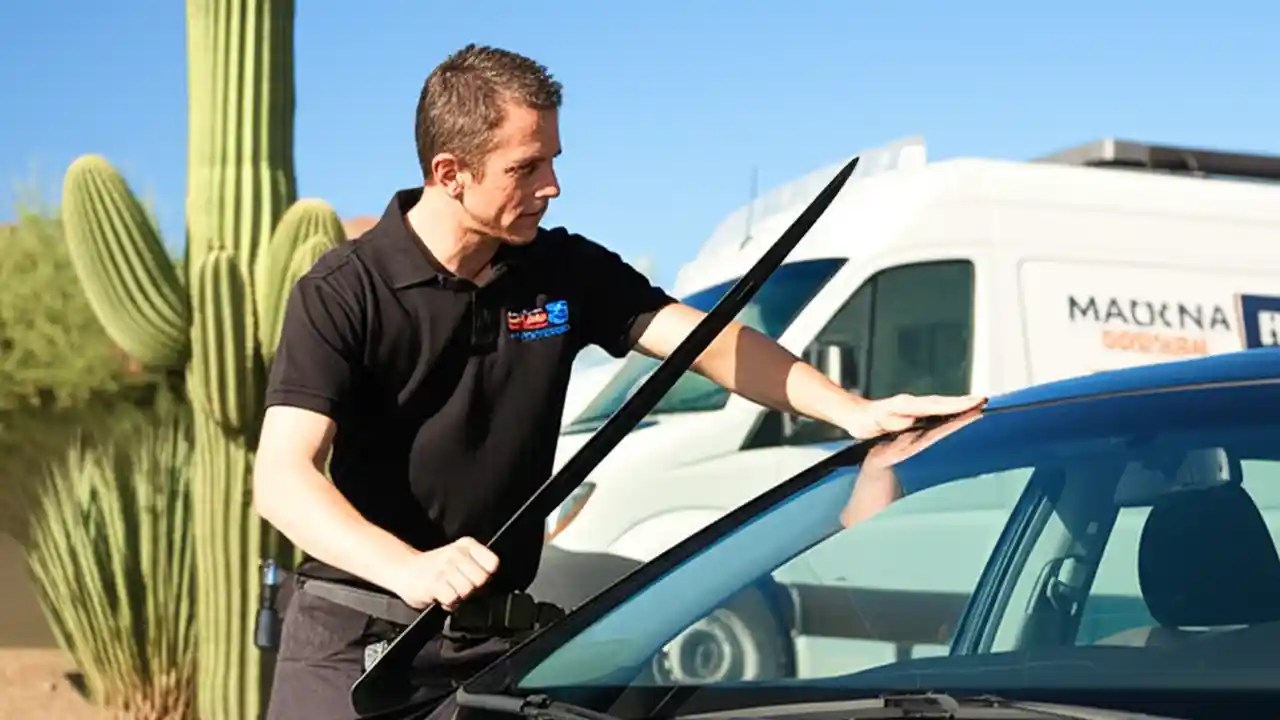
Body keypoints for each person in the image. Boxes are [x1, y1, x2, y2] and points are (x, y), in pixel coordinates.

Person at [251, 43, 987, 720]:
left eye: (552, 160)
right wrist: (409, 567)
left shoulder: (559, 269)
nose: (553, 186)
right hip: (353, 644)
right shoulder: (344, 290)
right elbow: (283, 479)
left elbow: (708, 343)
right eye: (525, 168)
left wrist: (849, 410)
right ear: (451, 173)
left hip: (489, 651)